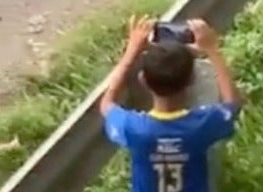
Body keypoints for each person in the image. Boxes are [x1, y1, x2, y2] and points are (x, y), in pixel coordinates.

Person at [100, 16, 242, 192]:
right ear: (192, 79)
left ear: (143, 80)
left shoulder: (133, 128)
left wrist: (132, 51)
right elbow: (232, 103)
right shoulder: (202, 125)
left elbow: (107, 104)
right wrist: (212, 50)